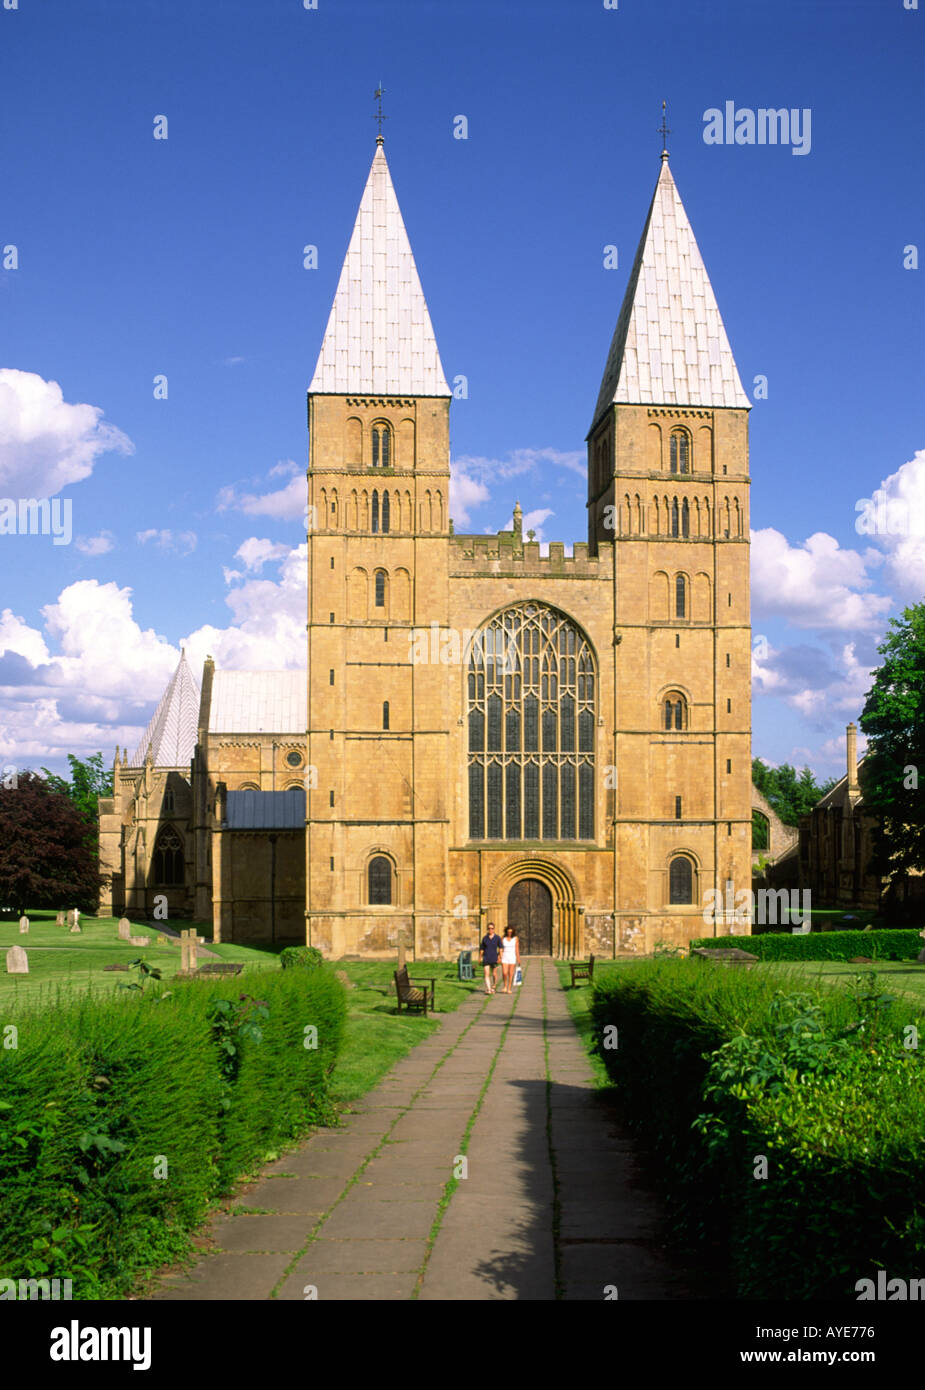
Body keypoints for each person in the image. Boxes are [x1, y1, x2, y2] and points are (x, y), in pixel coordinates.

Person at [479, 922, 501, 994]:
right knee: (486, 974)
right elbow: (482, 949)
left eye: (492, 928)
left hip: (494, 958)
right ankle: (488, 989)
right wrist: (480, 957)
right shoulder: (485, 938)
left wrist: (500, 957)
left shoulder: (497, 938)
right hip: (486, 958)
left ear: (494, 929)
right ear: (487, 929)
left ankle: (494, 986)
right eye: (489, 928)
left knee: (494, 974)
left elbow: (500, 948)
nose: (490, 930)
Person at [500, 924, 520, 993]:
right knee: (504, 973)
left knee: (510, 973)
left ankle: (509, 988)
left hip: (512, 957)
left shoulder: (515, 938)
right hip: (504, 956)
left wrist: (518, 959)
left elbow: (517, 949)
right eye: (508, 932)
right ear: (506, 932)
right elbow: (501, 948)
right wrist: (499, 956)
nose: (509, 933)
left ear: (513, 932)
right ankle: (505, 986)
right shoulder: (503, 938)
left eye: (511, 932)